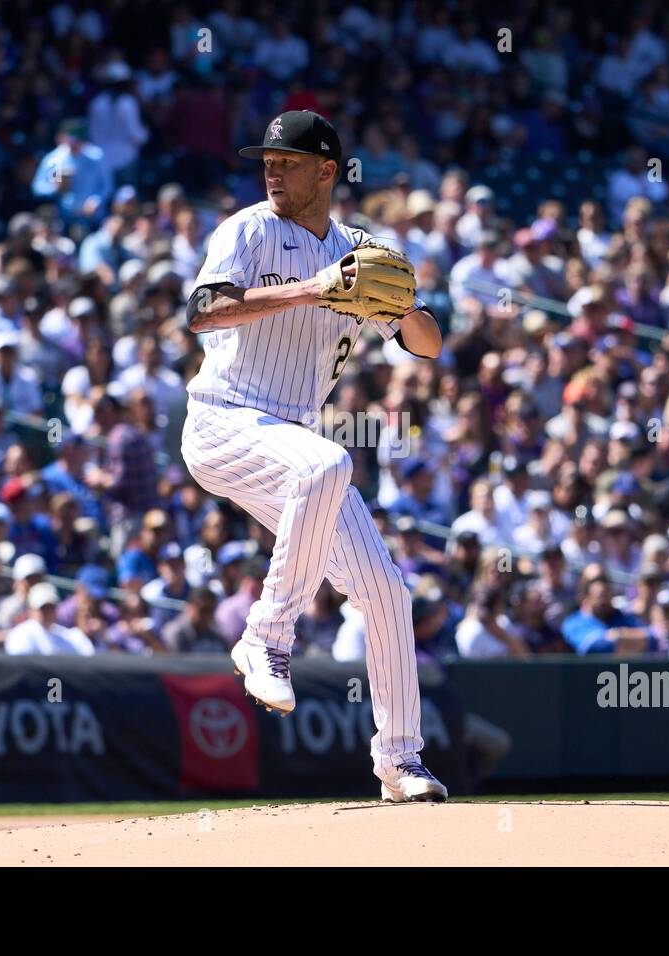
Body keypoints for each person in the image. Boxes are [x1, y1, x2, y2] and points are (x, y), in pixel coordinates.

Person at [179, 110, 448, 803]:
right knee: (327, 463)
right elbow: (204, 311)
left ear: (327, 171)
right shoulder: (248, 228)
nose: (271, 168)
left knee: (386, 593)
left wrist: (406, 305)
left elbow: (427, 345)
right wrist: (312, 289)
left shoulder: (361, 250)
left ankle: (399, 761)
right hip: (224, 421)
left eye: (287, 160)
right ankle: (266, 636)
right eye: (266, 159)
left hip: (291, 444)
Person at [5, 582, 95, 655]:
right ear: (31, 610)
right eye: (43, 608)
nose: (47, 612)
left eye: (51, 607)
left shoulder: (67, 635)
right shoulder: (20, 635)